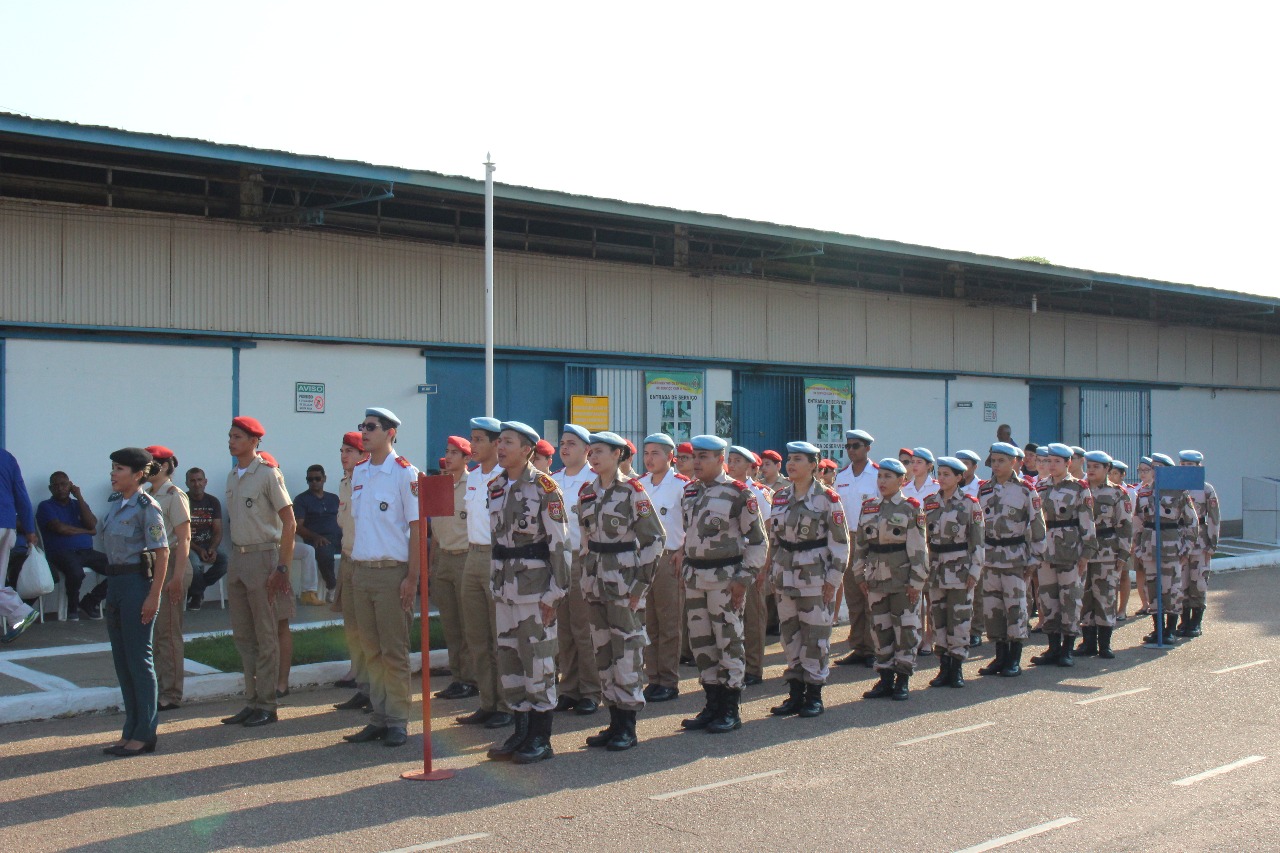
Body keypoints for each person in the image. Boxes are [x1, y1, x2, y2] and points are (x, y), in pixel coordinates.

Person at [484, 421, 571, 764]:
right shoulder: (496, 486)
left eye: (508, 442)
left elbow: (560, 544)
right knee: (510, 662)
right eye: (500, 441)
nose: (501, 447)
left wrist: (555, 593)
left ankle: (540, 736)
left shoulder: (546, 487)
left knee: (538, 662)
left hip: (535, 592)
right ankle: (520, 730)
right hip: (505, 589)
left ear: (527, 449)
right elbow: (496, 542)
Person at [577, 432, 664, 751]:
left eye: (599, 451)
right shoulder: (586, 492)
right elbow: (586, 538)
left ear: (618, 454)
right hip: (595, 582)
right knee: (603, 651)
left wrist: (640, 585)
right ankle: (613, 721)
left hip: (625, 583)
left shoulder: (632, 490)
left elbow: (655, 540)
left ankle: (628, 725)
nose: (593, 457)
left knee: (627, 652)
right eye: (590, 452)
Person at [341, 408, 421, 748]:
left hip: (392, 573)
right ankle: (378, 717)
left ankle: (398, 720)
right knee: (369, 650)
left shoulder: (405, 473)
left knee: (393, 651)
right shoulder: (360, 472)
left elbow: (418, 528)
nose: (364, 432)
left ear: (390, 433)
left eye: (371, 427)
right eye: (362, 426)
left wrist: (412, 578)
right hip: (361, 571)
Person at [679, 435, 767, 734]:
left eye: (704, 456)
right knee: (702, 644)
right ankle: (712, 703)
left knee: (728, 641)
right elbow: (688, 534)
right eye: (695, 456)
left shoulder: (739, 493)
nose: (697, 462)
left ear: (720, 459)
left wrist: (744, 580)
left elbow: (757, 541)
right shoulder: (689, 491)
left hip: (725, 579)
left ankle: (730, 707)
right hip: (695, 579)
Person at [219, 416, 295, 730]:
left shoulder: (267, 474)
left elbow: (289, 522)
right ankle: (251, 701)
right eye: (230, 436)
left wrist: (282, 566)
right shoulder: (232, 476)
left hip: (264, 555)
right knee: (243, 635)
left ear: (254, 441)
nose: (231, 441)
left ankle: (267, 703)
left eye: (237, 437)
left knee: (266, 635)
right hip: (238, 557)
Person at [767, 441, 847, 718]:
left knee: (815, 636)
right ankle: (795, 693)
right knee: (790, 636)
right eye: (789, 458)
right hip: (785, 577)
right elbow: (774, 541)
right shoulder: (779, 496)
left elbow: (840, 542)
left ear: (813, 465)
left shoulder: (828, 499)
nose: (791, 463)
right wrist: (771, 572)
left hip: (815, 577)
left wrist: (833, 581)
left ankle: (814, 694)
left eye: (798, 459)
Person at [99, 448, 170, 756]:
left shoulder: (147, 507)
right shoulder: (116, 504)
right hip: (114, 583)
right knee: (122, 660)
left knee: (139, 660)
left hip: (136, 584)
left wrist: (154, 595)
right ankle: (130, 729)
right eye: (113, 468)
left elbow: (162, 552)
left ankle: (145, 733)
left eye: (120, 469)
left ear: (138, 473)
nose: (114, 474)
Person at [852, 458, 930, 701]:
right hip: (876, 578)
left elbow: (919, 549)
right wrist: (859, 573)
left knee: (905, 629)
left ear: (901, 480)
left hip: (902, 578)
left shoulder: (911, 508)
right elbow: (861, 545)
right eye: (880, 477)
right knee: (880, 629)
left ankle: (903, 678)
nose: (882, 481)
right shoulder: (869, 507)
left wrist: (916, 582)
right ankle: (884, 677)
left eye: (888, 477)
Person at [976, 442, 1047, 678]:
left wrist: (1035, 557)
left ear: (1014, 462)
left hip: (1015, 558)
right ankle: (999, 656)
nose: (996, 465)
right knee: (993, 610)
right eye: (993, 461)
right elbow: (977, 527)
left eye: (1001, 461)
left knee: (1015, 607)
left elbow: (1037, 525)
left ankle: (1014, 659)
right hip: (990, 557)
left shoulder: (1026, 490)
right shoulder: (984, 490)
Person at [1029, 444, 1097, 668]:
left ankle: (1067, 648)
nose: (1052, 465)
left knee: (1070, 599)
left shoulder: (1079, 488)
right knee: (1048, 599)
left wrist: (1086, 554)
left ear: (1068, 463)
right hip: (1046, 551)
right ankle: (1053, 647)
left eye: (1057, 461)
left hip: (1070, 551)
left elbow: (1087, 521)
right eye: (1049, 461)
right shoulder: (1040, 486)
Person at [551, 423, 602, 715]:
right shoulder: (553, 480)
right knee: (564, 629)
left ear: (587, 450)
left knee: (584, 628)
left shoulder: (594, 480)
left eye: (572, 443)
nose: (565, 448)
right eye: (562, 443)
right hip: (559, 559)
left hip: (584, 558)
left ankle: (591, 690)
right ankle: (568, 688)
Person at [922, 457, 984, 688]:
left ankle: (956, 667)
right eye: (940, 473)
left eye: (947, 474)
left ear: (959, 477)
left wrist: (975, 570)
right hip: (936, 568)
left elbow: (977, 541)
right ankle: (943, 667)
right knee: (938, 618)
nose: (942, 478)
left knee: (958, 619)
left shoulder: (969, 503)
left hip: (960, 569)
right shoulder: (929, 503)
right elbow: (923, 540)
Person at [638, 433, 689, 702]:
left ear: (671, 457)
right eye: (646, 453)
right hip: (643, 559)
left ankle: (668, 680)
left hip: (670, 558)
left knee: (670, 621)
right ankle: (653, 677)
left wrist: (683, 551)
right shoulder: (639, 485)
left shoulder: (682, 485)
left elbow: (693, 523)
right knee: (649, 622)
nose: (649, 458)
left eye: (655, 453)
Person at [143, 446, 192, 712]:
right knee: (156, 633)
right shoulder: (148, 494)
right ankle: (160, 686)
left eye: (150, 464)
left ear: (163, 466)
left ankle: (172, 693)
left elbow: (184, 538)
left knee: (168, 633)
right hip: (153, 563)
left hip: (173, 562)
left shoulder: (174, 495)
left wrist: (177, 577)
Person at [430, 436, 478, 701]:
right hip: (444, 558)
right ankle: (458, 677)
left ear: (467, 458)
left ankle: (471, 679)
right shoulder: (439, 486)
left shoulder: (472, 485)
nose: (448, 457)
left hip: (465, 557)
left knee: (467, 622)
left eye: (454, 453)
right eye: (446, 452)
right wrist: (430, 564)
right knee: (450, 623)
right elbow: (435, 532)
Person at [1133, 453, 1198, 644]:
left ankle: (1169, 630)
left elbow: (1191, 522)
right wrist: (1137, 547)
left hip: (1171, 548)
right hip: (1149, 547)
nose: (1154, 471)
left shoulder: (1179, 492)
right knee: (1152, 589)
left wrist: (1186, 548)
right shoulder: (1144, 492)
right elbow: (1137, 522)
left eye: (1158, 467)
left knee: (1170, 589)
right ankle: (1157, 629)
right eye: (1152, 467)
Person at [1076, 450, 1132, 659]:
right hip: (1083, 552)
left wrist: (1123, 554)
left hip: (1107, 551)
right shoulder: (1080, 490)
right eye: (1089, 466)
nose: (1090, 470)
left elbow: (1125, 526)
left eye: (1096, 467)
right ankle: (1087, 642)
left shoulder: (1117, 493)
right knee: (1085, 596)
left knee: (1105, 596)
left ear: (1107, 469)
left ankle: (1105, 644)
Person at [332, 431, 373, 709]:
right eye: (342, 450)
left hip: (366, 561)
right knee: (353, 624)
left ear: (364, 455)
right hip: (348, 558)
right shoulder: (345, 483)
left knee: (370, 628)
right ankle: (361, 680)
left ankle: (376, 690)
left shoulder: (370, 482)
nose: (344, 455)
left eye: (350, 451)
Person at [37, 472, 109, 620]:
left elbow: (92, 524)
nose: (60, 488)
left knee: (118, 568)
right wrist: (88, 532)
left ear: (70, 485)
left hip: (86, 552)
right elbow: (61, 529)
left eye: (63, 484)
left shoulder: (78, 505)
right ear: (50, 489)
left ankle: (90, 602)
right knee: (76, 572)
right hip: (60, 552)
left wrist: (80, 497)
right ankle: (72, 608)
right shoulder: (46, 506)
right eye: (55, 485)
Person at [834, 429, 878, 667]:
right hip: (848, 538)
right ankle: (859, 646)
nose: (851, 450)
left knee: (870, 593)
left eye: (856, 446)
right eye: (848, 446)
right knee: (853, 596)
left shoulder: (877, 475)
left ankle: (872, 647)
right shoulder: (842, 476)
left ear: (868, 448)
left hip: (870, 539)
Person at [728, 445, 771, 687]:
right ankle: (734, 663)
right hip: (729, 561)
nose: (731, 465)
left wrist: (763, 567)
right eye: (730, 460)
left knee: (753, 616)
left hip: (752, 560)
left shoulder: (759, 492)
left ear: (750, 467)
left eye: (737, 461)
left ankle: (753, 666)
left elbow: (768, 532)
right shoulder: (725, 490)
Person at [1177, 450, 1218, 638]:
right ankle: (1183, 622)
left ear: (1199, 467)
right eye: (1183, 465)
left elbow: (1214, 518)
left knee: (1198, 581)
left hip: (1200, 541)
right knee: (1182, 583)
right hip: (1180, 540)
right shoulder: (1175, 487)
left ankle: (1196, 623)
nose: (1186, 469)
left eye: (1190, 466)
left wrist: (1212, 543)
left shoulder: (1206, 489)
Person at [294, 465, 341, 605]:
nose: (314, 482)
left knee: (358, 550)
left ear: (324, 479)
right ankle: (332, 587)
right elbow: (298, 526)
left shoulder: (333, 498)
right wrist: (315, 537)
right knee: (324, 552)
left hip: (338, 537)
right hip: (317, 539)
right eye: (310, 479)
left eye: (317, 478)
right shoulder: (301, 500)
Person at [184, 468, 226, 611]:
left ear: (205, 481)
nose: (197, 484)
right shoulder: (182, 501)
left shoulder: (213, 501)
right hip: (188, 545)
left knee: (224, 561)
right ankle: (196, 595)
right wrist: (198, 549)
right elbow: (181, 533)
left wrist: (212, 548)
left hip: (208, 544)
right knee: (196, 566)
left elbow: (218, 530)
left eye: (199, 480)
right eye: (192, 480)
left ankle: (196, 590)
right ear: (187, 483)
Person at [1109, 460, 1136, 621]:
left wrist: (1131, 542)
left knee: (1124, 574)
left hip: (1124, 537)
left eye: (1115, 474)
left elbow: (1132, 519)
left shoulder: (1129, 492)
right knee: (1110, 577)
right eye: (1110, 473)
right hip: (1109, 538)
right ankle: (1111, 608)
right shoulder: (1106, 490)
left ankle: (1122, 609)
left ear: (1122, 475)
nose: (1112, 476)